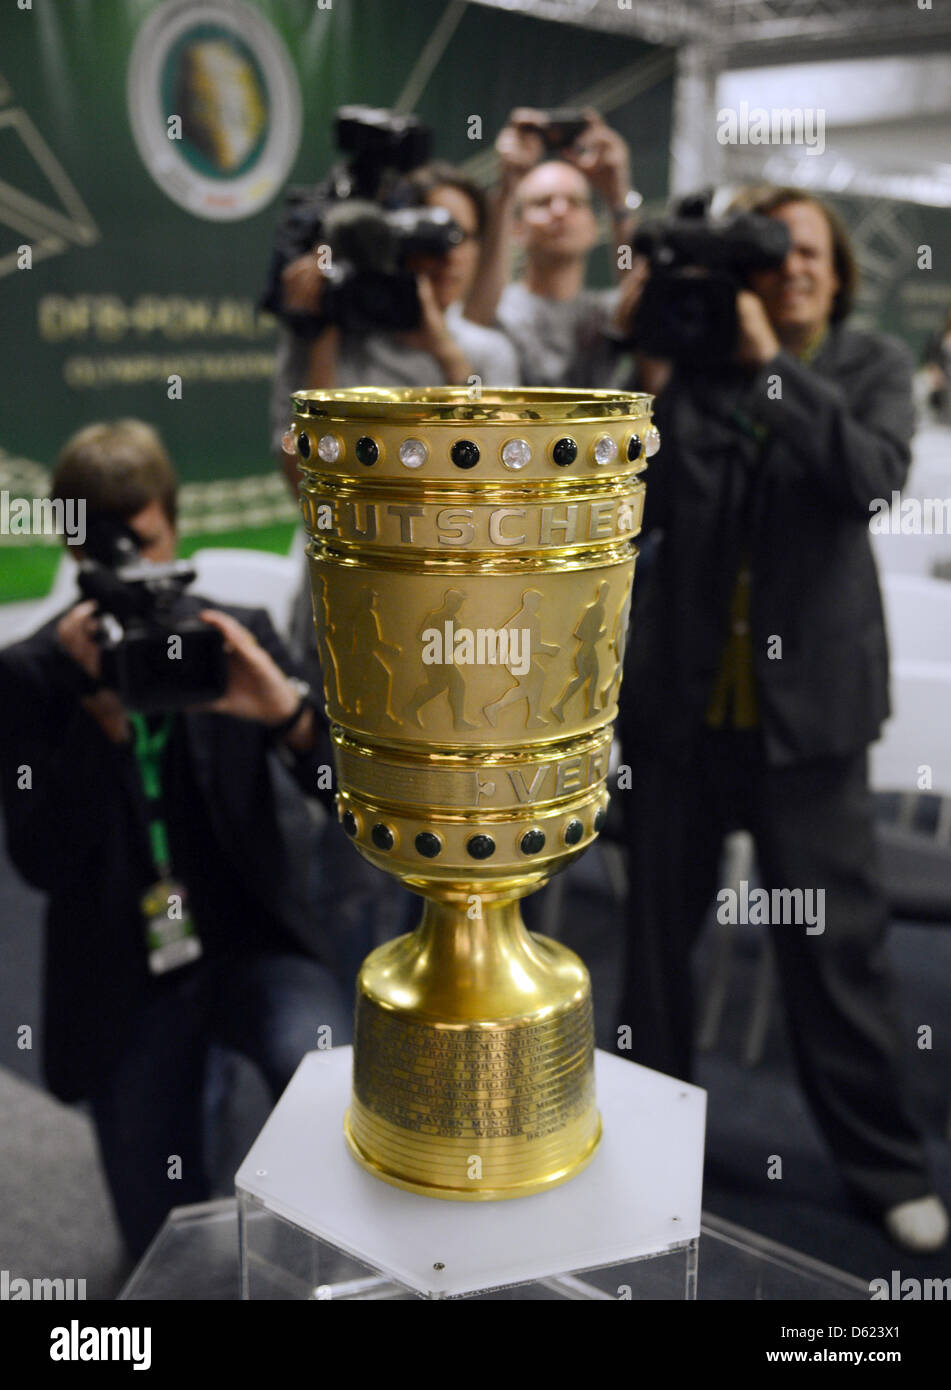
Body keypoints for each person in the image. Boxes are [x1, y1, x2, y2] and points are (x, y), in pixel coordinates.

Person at [610, 186, 949, 1253]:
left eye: (812, 254)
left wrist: (768, 363)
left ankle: (886, 1166)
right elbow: (636, 498)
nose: (796, 268)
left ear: (837, 274)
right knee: (658, 952)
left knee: (833, 951)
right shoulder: (692, 368)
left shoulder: (870, 368)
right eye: (775, 254)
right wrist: (647, 355)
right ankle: (639, 1148)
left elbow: (867, 477)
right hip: (681, 710)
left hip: (811, 725)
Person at [0, 420, 352, 1260]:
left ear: (175, 524)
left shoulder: (228, 637)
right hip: (122, 964)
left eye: (145, 543)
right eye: (107, 550)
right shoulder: (33, 673)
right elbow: (38, 863)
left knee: (327, 1087)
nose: (129, 568)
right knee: (161, 1240)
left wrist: (291, 717)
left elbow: (343, 797)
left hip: (247, 937)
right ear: (71, 546)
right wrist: (96, 725)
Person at [269, 161, 519, 470]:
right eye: (431, 237)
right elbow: (303, 478)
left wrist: (446, 353)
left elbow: (500, 468)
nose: (448, 256)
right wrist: (324, 323)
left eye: (462, 236)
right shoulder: (328, 335)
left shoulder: (488, 351)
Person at [463, 107, 640, 387]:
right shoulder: (499, 307)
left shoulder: (606, 313)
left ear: (594, 227)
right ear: (517, 230)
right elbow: (475, 322)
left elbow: (640, 296)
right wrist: (508, 189)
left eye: (575, 202)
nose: (559, 211)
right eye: (543, 202)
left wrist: (616, 194)